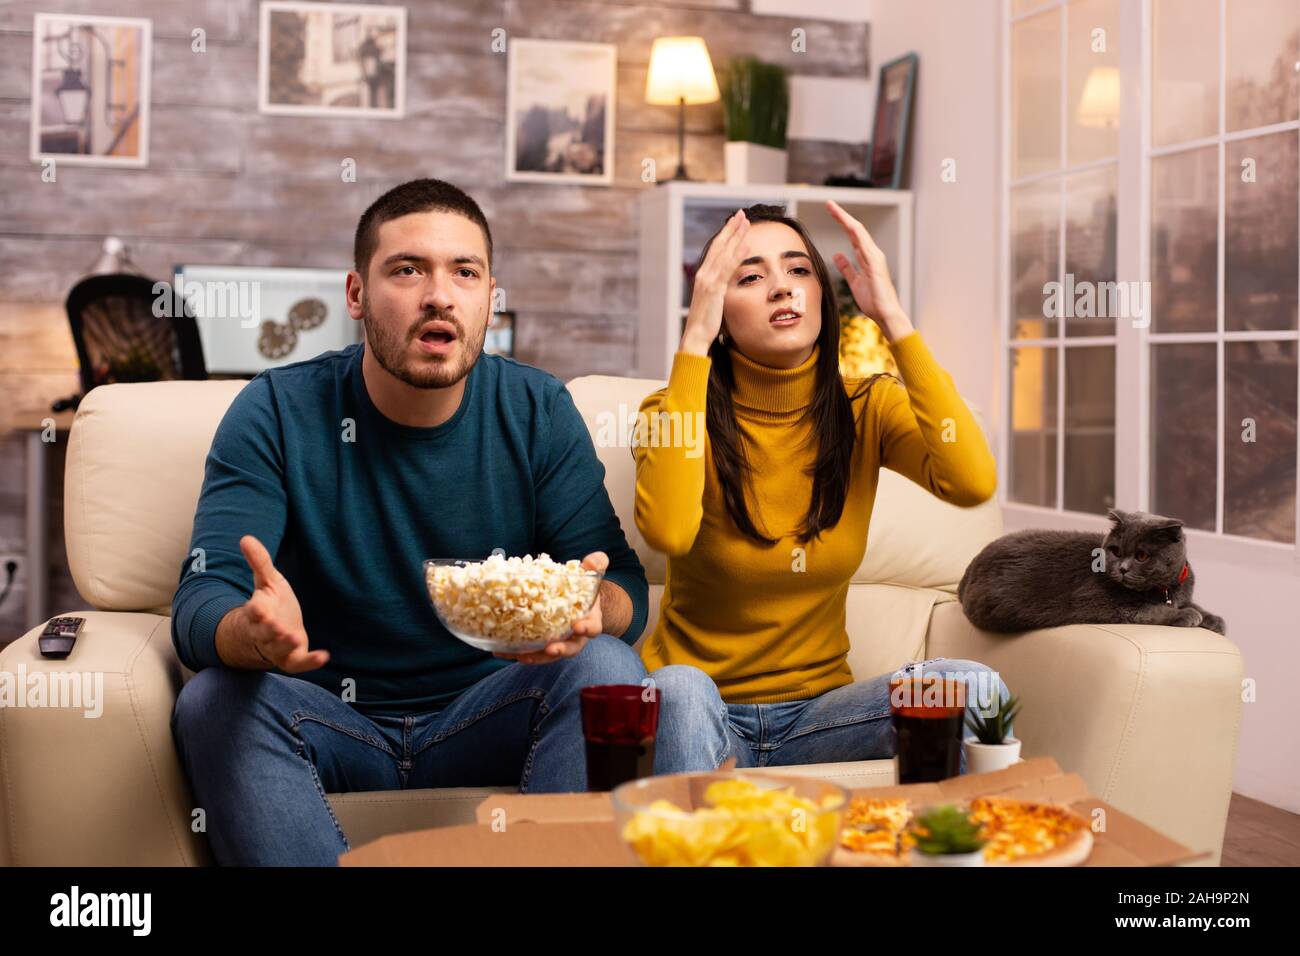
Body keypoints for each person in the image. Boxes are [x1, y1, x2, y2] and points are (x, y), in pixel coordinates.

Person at [170, 178, 659, 866]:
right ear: (356, 294)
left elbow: (627, 591)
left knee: (606, 664)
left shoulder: (537, 410)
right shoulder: (276, 410)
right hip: (330, 720)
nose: (439, 294)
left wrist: (590, 609)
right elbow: (199, 602)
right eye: (407, 269)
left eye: (465, 272)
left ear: (490, 296)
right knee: (214, 699)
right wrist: (248, 634)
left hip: (488, 714)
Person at [635, 202, 1013, 773]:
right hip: (704, 712)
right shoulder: (670, 412)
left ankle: (960, 853)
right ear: (717, 304)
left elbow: (971, 480)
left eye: (798, 270)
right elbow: (668, 527)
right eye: (751, 276)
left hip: (821, 718)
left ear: (820, 294)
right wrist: (693, 340)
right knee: (680, 688)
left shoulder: (869, 406)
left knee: (974, 687)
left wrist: (894, 320)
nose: (782, 289)